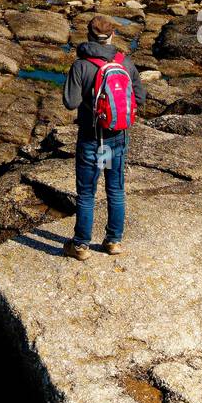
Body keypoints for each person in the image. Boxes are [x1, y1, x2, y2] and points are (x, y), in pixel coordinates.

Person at [61, 14, 146, 259]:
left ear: (88, 36)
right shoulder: (125, 63)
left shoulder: (80, 65)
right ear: (112, 36)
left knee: (87, 193)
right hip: (117, 138)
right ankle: (113, 242)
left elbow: (70, 102)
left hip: (91, 138)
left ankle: (80, 246)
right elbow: (139, 98)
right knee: (115, 190)